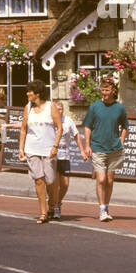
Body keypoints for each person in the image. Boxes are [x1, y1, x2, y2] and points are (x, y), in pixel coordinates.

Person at [82, 76, 128, 223]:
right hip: (98, 147)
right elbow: (88, 126)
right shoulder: (94, 106)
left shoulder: (119, 108)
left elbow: (125, 126)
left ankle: (106, 206)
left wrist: (121, 141)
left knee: (109, 179)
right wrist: (87, 145)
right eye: (102, 90)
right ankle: (102, 209)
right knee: (101, 179)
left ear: (113, 91)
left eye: (107, 90)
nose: (104, 92)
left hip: (114, 149)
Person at [18, 81, 62, 224]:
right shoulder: (28, 108)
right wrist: (21, 148)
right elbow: (23, 129)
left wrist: (55, 146)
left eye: (30, 91)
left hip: (48, 149)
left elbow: (59, 128)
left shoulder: (51, 107)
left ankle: (52, 206)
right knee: (39, 180)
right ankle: (43, 213)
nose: (27, 94)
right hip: (32, 149)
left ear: (37, 93)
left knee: (50, 181)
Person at [52, 109, 80, 219]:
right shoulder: (50, 120)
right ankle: (54, 207)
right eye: (57, 109)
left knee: (65, 184)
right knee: (55, 184)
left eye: (61, 109)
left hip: (65, 157)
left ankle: (58, 202)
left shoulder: (68, 121)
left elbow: (76, 134)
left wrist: (82, 150)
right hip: (52, 157)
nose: (59, 111)